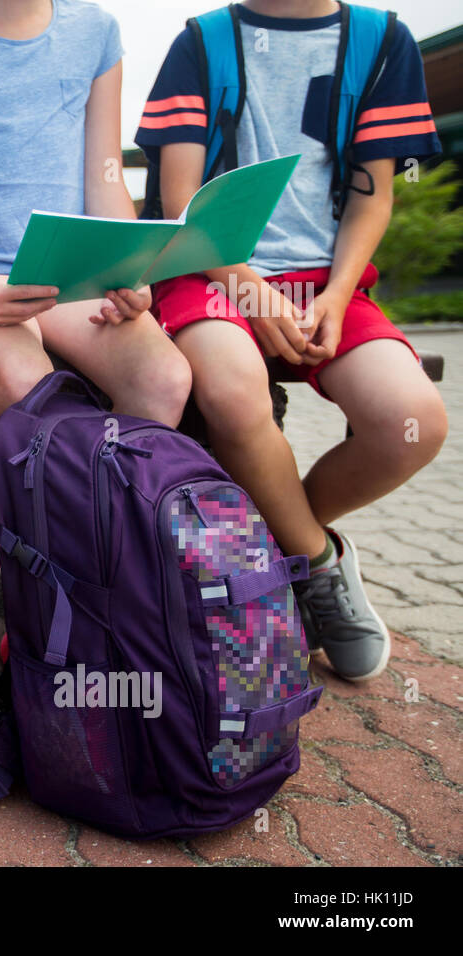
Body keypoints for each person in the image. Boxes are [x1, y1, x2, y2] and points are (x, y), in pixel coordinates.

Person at [136, 0, 447, 681]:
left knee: (413, 424)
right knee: (228, 389)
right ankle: (315, 563)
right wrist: (251, 289)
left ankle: (269, 543)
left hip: (326, 281)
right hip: (209, 268)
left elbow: (374, 196)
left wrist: (336, 295)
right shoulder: (203, 42)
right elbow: (181, 205)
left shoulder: (382, 42)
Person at [0, 0, 192, 424]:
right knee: (26, 382)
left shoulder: (97, 30)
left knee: (163, 378)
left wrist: (130, 269)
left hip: (70, 278)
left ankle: (107, 488)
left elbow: (105, 174)